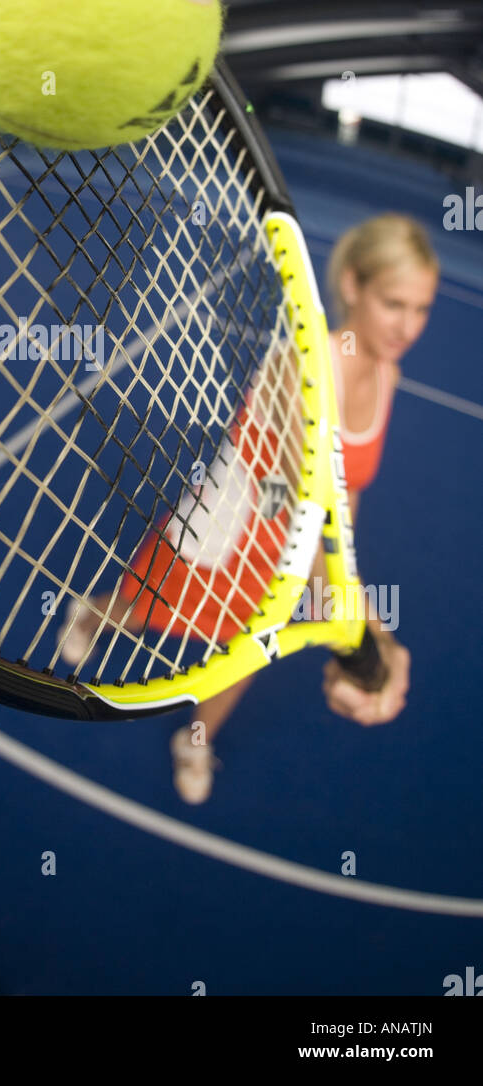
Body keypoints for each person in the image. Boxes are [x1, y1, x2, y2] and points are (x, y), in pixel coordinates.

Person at [58, 214, 439, 802]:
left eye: (421, 309)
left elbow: (345, 496)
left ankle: (196, 741)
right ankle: (88, 615)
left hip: (286, 553)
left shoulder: (388, 375)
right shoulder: (303, 370)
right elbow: (307, 513)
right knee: (141, 605)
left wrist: (358, 615)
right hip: (227, 531)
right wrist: (368, 637)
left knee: (242, 659)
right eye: (394, 303)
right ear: (353, 286)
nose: (408, 327)